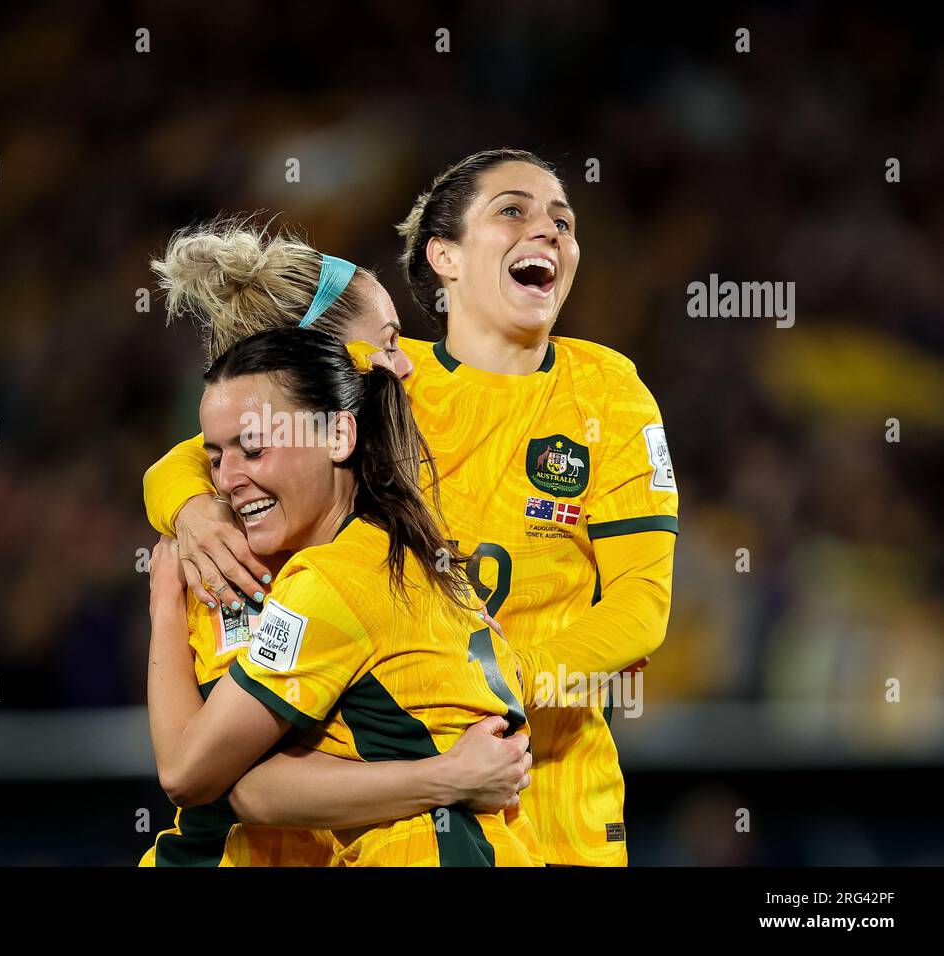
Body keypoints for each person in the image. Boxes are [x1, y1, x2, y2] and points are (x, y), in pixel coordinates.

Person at [145, 150, 678, 866]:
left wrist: (496, 677)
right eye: (513, 211)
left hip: (552, 794)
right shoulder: (380, 380)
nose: (549, 231)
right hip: (382, 805)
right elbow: (210, 448)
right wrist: (189, 512)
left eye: (564, 220)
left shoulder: (611, 395)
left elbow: (642, 610)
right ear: (444, 257)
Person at [141, 224, 530, 866]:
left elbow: (211, 775)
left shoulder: (352, 536)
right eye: (386, 344)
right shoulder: (243, 548)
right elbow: (221, 777)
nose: (406, 365)